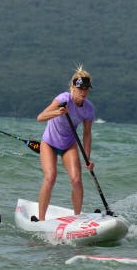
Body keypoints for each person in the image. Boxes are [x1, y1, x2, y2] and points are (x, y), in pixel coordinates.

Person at [34, 66, 95, 221]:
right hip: (49, 143)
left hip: (69, 145)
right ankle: (41, 220)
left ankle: (77, 218)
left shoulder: (88, 109)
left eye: (86, 89)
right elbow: (40, 117)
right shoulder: (63, 99)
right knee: (50, 177)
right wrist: (57, 112)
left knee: (76, 179)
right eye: (80, 88)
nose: (83, 92)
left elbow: (87, 134)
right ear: (72, 88)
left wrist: (87, 158)